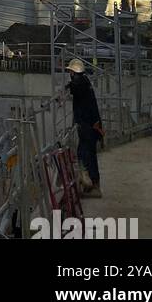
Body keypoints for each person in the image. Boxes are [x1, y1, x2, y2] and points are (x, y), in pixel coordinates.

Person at [67, 58, 104, 198]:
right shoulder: (85, 82)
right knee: (86, 154)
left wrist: (65, 89)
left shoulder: (80, 84)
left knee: (85, 155)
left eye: (70, 72)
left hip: (88, 125)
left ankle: (92, 185)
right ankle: (90, 185)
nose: (70, 74)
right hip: (90, 125)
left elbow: (74, 87)